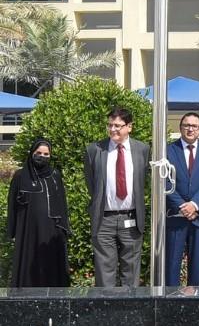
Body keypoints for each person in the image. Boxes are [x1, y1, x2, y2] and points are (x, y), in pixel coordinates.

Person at [84, 106, 148, 288]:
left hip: (131, 218)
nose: (113, 129)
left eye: (118, 126)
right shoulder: (94, 150)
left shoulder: (142, 149)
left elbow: (144, 180)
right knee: (104, 272)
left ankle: (129, 304)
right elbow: (91, 183)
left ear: (129, 127)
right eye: (110, 125)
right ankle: (106, 305)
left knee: (131, 270)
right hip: (104, 219)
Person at [7, 137, 70, 286]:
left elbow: (62, 203)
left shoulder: (55, 175)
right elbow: (12, 205)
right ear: (32, 153)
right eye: (39, 153)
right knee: (29, 263)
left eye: (46, 154)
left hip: (52, 231)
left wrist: (64, 228)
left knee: (51, 264)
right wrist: (12, 231)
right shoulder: (20, 176)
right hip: (28, 231)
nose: (42, 156)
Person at [165, 111, 199, 287]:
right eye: (187, 125)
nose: (190, 129)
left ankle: (195, 300)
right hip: (176, 216)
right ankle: (171, 300)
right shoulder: (168, 150)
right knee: (172, 265)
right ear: (180, 127)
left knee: (197, 266)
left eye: (194, 126)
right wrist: (183, 206)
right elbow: (164, 182)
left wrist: (194, 204)